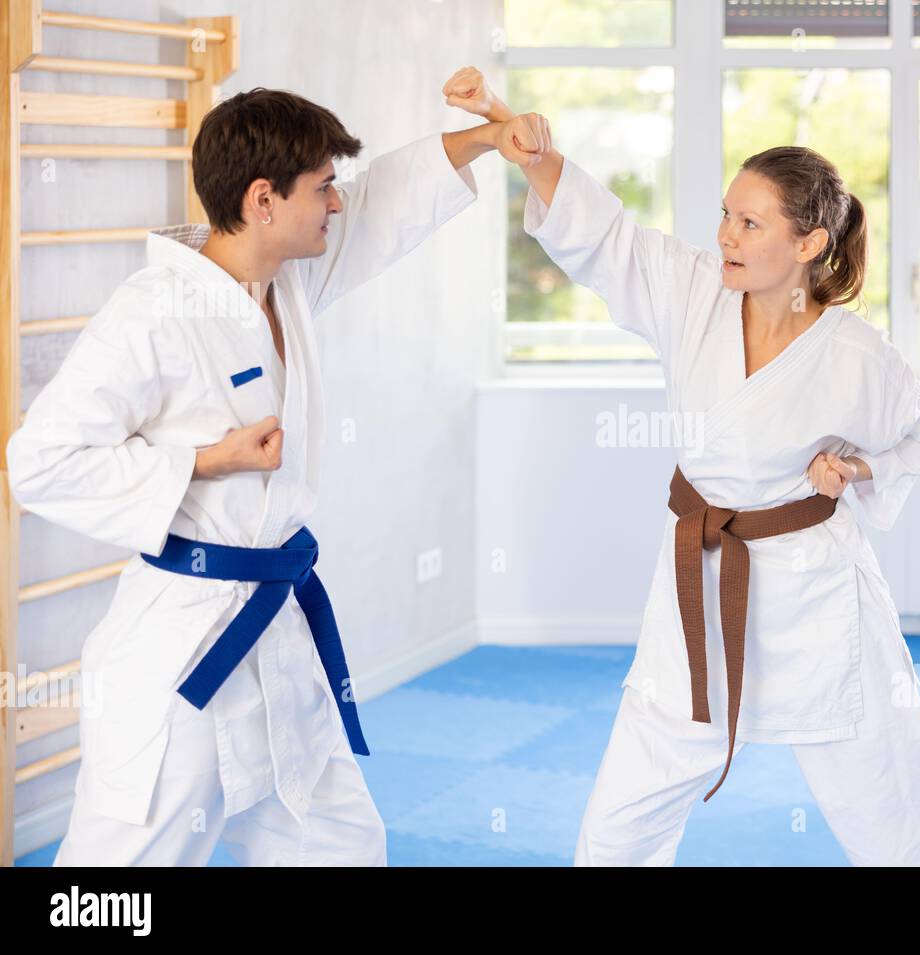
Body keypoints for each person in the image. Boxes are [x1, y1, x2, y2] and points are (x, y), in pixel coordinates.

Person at [6, 76, 547, 864]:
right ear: (263, 200)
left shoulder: (283, 277)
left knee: (340, 843)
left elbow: (382, 206)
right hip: (184, 649)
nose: (337, 203)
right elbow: (39, 463)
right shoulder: (153, 312)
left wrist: (487, 140)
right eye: (323, 188)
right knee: (120, 875)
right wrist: (205, 459)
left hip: (277, 631)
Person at [447, 72, 920, 866]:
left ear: (808, 245)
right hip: (699, 580)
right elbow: (608, 239)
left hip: (817, 595)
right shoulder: (692, 290)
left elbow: (917, 438)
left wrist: (859, 470)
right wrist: (524, 148)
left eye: (750, 223)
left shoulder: (859, 357)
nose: (727, 236)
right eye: (727, 216)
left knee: (896, 797)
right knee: (620, 819)